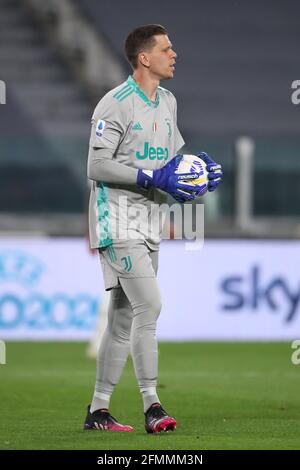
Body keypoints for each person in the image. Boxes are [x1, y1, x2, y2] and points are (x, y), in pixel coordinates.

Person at [84, 24, 223, 433]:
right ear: (145, 58)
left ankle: (98, 411)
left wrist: (197, 178)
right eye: (166, 48)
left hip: (150, 221)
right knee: (150, 305)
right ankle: (153, 405)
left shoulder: (168, 102)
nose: (173, 54)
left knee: (124, 317)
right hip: (117, 218)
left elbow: (168, 167)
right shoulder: (115, 104)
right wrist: (150, 179)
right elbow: (96, 166)